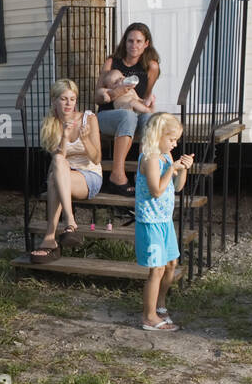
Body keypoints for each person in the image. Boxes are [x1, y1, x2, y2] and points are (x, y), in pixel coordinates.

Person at [30, 78, 102, 261]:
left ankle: (51, 236)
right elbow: (58, 157)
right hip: (63, 176)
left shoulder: (89, 118)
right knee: (58, 165)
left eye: (72, 98)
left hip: (89, 177)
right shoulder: (50, 124)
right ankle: (69, 224)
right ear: (54, 101)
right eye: (63, 99)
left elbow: (97, 158)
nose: (69, 103)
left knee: (55, 177)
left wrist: (85, 140)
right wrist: (64, 137)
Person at [135, 113, 193, 331]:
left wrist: (183, 168)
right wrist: (170, 169)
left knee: (171, 265)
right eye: (172, 139)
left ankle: (159, 306)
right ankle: (148, 317)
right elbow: (157, 190)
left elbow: (177, 187)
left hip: (165, 221)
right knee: (157, 269)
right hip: (150, 222)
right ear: (157, 136)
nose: (175, 144)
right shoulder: (150, 158)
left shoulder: (167, 155)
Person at [96, 22, 161, 195]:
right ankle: (117, 176)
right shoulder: (112, 62)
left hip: (133, 114)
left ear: (146, 44)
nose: (134, 45)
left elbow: (145, 96)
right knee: (128, 116)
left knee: (149, 119)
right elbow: (97, 97)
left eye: (139, 41)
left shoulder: (151, 67)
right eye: (130, 41)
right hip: (107, 116)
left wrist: (148, 103)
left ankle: (145, 175)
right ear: (125, 42)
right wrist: (115, 92)